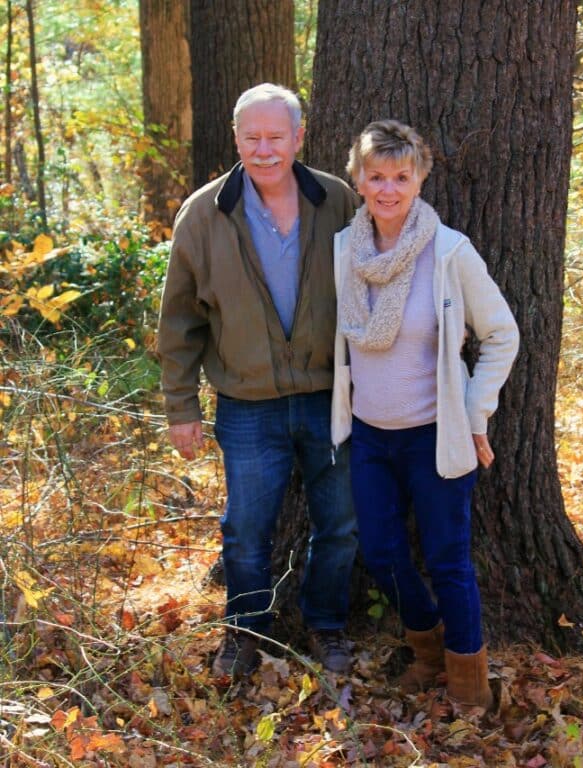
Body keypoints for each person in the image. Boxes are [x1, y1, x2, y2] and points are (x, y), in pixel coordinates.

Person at [157, 83, 359, 678]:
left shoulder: (339, 201)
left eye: (277, 137)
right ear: (236, 138)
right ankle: (245, 634)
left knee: (341, 526)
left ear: (299, 137)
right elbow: (179, 319)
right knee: (245, 531)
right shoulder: (203, 214)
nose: (265, 150)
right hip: (247, 404)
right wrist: (180, 407)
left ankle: (327, 628)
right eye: (253, 138)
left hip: (331, 396)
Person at [331, 120, 519, 713]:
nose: (388, 189)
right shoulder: (342, 251)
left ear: (419, 181)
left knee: (447, 559)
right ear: (357, 179)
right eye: (377, 176)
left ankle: (469, 682)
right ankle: (428, 649)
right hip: (369, 436)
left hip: (434, 438)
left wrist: (474, 412)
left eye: (401, 177)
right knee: (383, 555)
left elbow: (501, 335)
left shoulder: (448, 252)